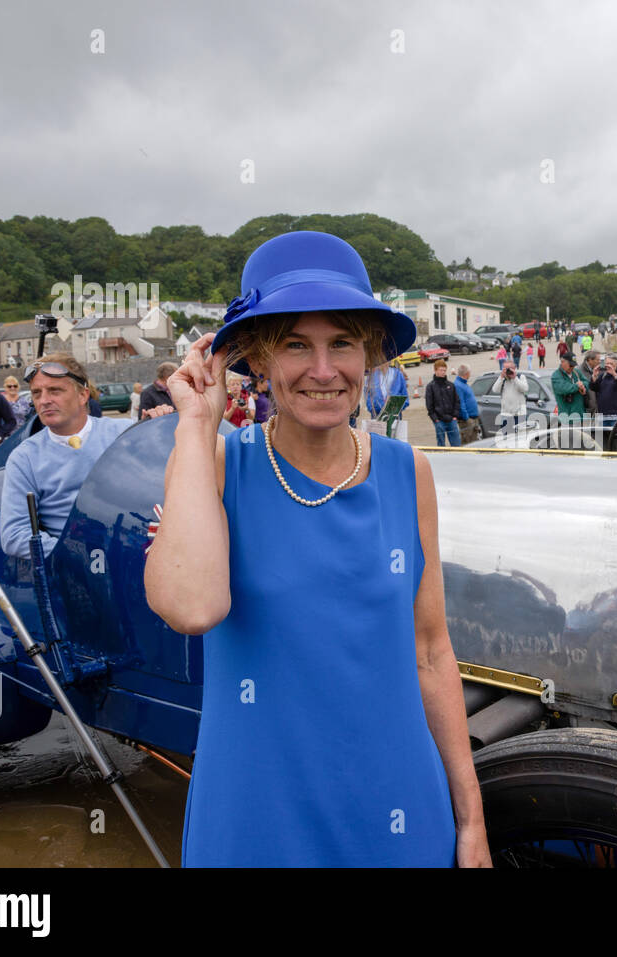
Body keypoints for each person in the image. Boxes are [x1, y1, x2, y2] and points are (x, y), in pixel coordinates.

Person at [146, 230, 488, 868]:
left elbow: (432, 650)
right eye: (296, 346)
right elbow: (190, 609)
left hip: (396, 803)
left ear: (369, 357)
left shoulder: (407, 471)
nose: (324, 371)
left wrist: (470, 821)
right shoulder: (216, 465)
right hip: (258, 811)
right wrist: (197, 423)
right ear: (257, 359)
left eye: (343, 344)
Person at [0, 354, 172, 559]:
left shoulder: (125, 432)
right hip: (81, 570)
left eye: (55, 390)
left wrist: (161, 428)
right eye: (37, 393)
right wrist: (77, 555)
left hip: (143, 551)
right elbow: (14, 535)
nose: (44, 400)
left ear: (83, 395)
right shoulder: (24, 457)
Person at [424, 358, 462, 446]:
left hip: (452, 420)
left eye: (444, 370)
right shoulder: (430, 387)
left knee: (456, 444)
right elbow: (429, 405)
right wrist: (435, 419)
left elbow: (457, 401)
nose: (443, 372)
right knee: (441, 445)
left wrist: (455, 416)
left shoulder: (451, 385)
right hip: (439, 421)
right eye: (441, 370)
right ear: (435, 370)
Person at [590, 354, 617, 425]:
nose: (608, 366)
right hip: (603, 414)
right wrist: (594, 376)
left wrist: (615, 374)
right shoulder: (603, 375)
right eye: (607, 364)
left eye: (611, 364)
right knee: (603, 436)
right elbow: (593, 388)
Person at [491, 359, 529, 435]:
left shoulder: (520, 377)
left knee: (520, 439)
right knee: (507, 440)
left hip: (519, 415)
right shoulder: (503, 379)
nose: (507, 371)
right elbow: (495, 390)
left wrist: (515, 378)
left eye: (509, 368)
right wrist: (501, 377)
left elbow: (525, 388)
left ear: (514, 368)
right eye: (505, 368)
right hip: (506, 415)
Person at [552, 353, 589, 425]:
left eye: (574, 365)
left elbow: (586, 382)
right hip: (566, 418)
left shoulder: (576, 372)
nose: (572, 367)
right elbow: (564, 389)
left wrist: (583, 387)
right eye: (571, 365)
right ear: (563, 362)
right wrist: (578, 386)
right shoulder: (556, 376)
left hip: (580, 416)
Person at [454, 364, 481, 444]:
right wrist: (467, 418)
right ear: (466, 373)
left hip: (473, 418)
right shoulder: (458, 385)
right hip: (467, 420)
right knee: (469, 443)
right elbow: (461, 403)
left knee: (473, 441)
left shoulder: (463, 384)